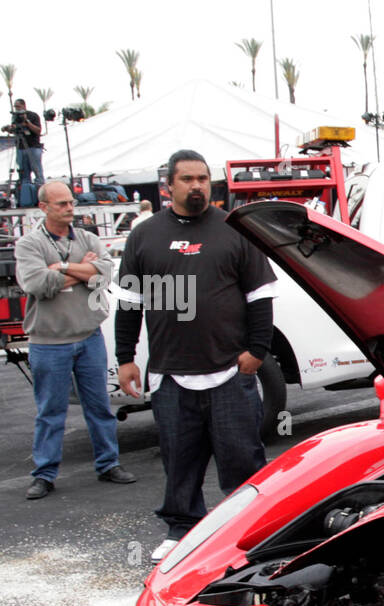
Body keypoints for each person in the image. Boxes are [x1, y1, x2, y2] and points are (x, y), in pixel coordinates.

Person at [115, 149, 278, 562]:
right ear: (168, 186)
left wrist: (257, 351)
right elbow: (130, 302)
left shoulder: (235, 229)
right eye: (187, 179)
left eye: (203, 179)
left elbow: (260, 296)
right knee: (179, 460)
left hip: (230, 371)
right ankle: (182, 527)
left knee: (242, 458)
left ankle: (247, 530)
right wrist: (125, 357)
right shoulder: (144, 234)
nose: (197, 186)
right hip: (171, 374)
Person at [14, 180, 135, 499]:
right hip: (48, 341)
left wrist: (64, 267)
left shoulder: (87, 237)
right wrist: (84, 269)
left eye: (71, 202)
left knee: (100, 407)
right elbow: (37, 283)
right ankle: (44, 474)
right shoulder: (29, 245)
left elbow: (105, 275)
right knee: (50, 411)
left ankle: (108, 464)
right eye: (62, 204)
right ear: (43, 208)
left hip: (88, 336)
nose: (70, 208)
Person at [8, 99, 45, 197]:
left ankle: (41, 195)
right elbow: (15, 129)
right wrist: (10, 128)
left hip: (33, 147)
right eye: (15, 106)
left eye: (18, 106)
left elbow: (38, 131)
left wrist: (27, 122)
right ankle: (27, 194)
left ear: (24, 106)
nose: (17, 108)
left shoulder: (33, 115)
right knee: (23, 172)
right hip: (20, 147)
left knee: (37, 171)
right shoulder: (14, 117)